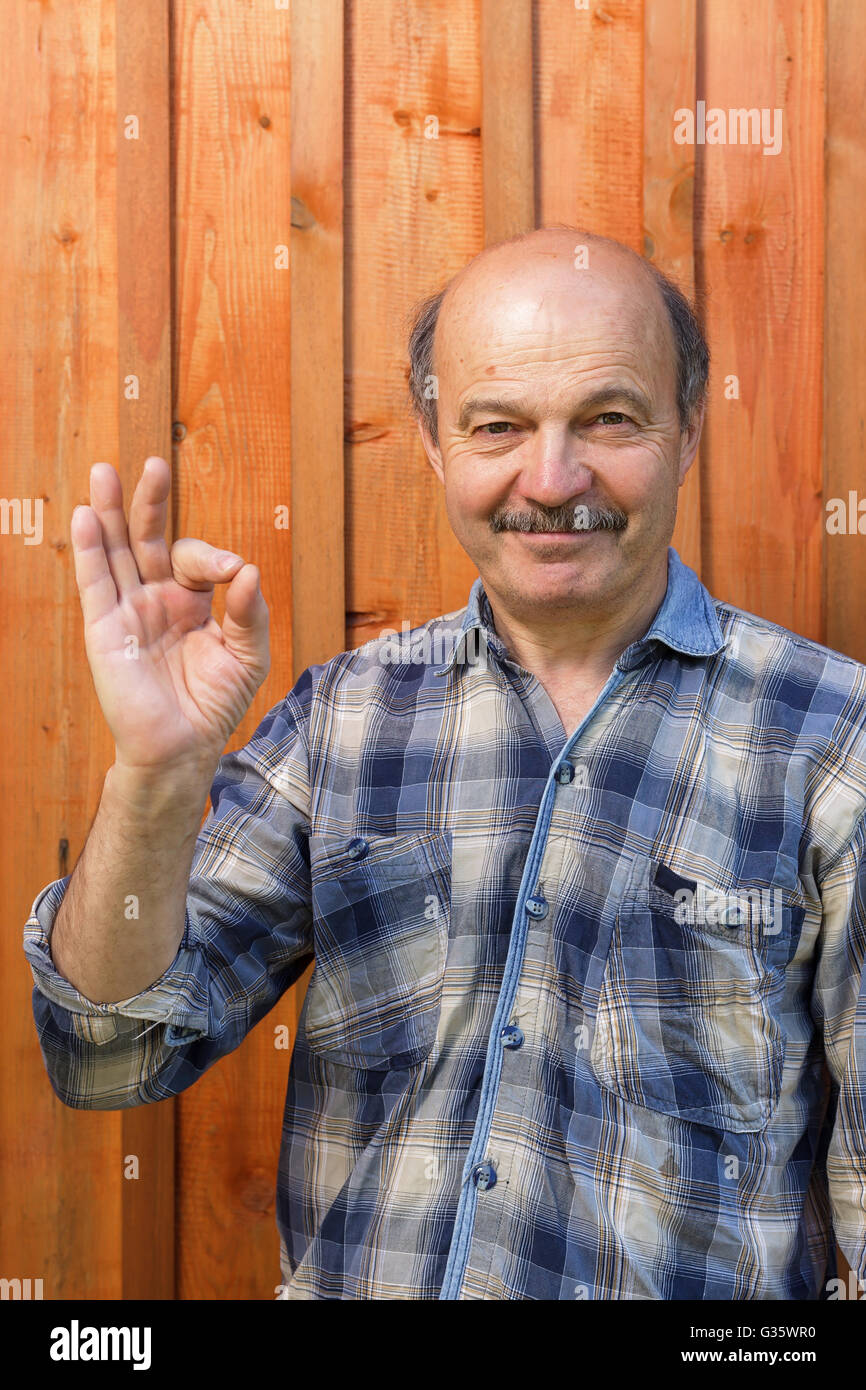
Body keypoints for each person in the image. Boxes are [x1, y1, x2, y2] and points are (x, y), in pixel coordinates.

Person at [25, 226, 866, 1300]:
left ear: (688, 427)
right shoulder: (342, 721)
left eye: (608, 419)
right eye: (497, 425)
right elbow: (106, 1052)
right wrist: (153, 778)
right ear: (433, 442)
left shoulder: (832, 737)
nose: (551, 479)